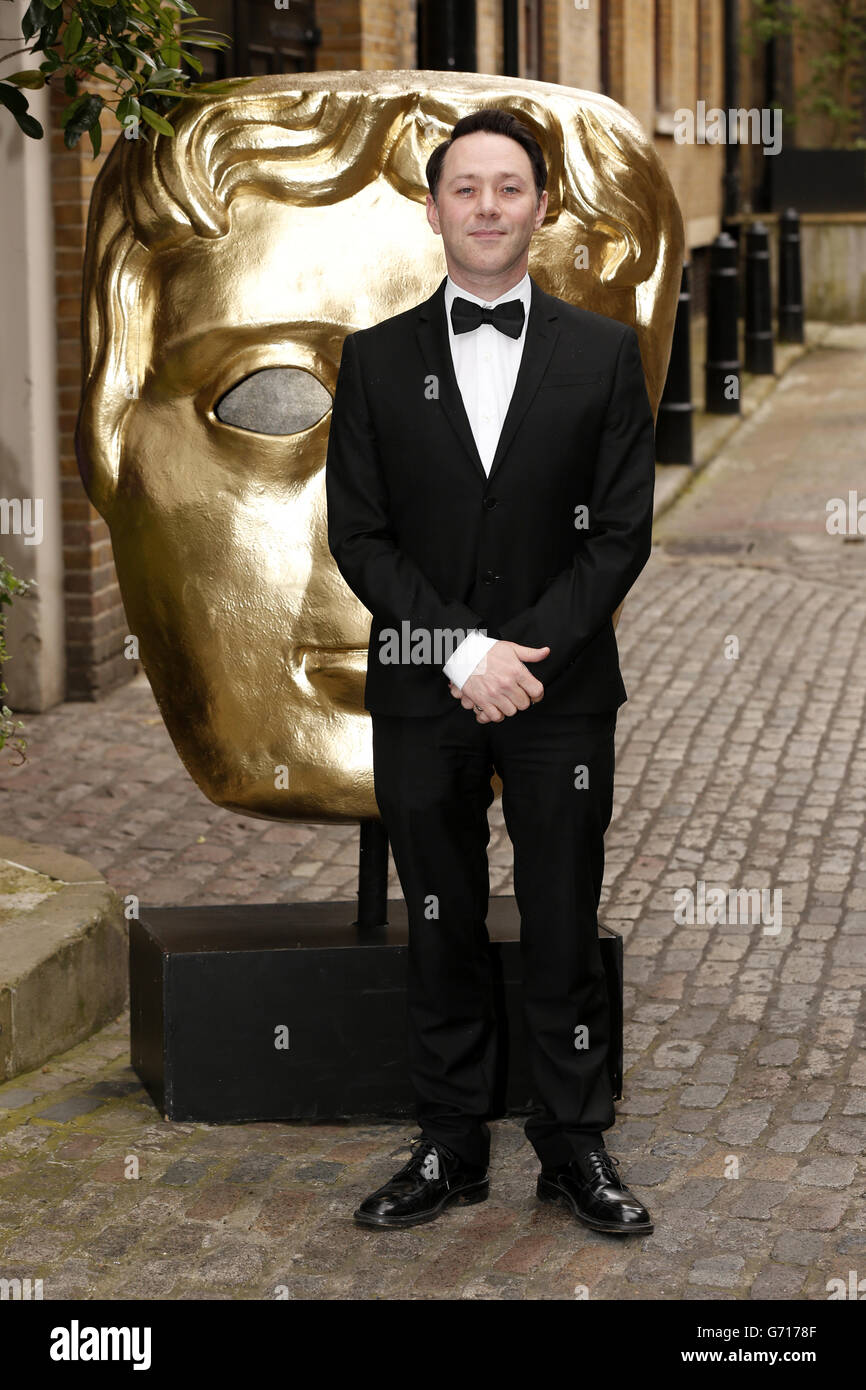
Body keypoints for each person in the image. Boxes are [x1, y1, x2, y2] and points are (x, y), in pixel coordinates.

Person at [326, 107, 655, 1235]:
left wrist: (527, 657)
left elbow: (617, 533)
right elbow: (358, 537)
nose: (484, 207)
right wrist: (458, 648)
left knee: (563, 923)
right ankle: (450, 1144)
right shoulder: (372, 362)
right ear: (433, 210)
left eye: (506, 188)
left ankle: (573, 1148)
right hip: (423, 687)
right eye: (463, 188)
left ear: (541, 208)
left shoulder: (605, 354)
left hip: (561, 693)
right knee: (441, 917)